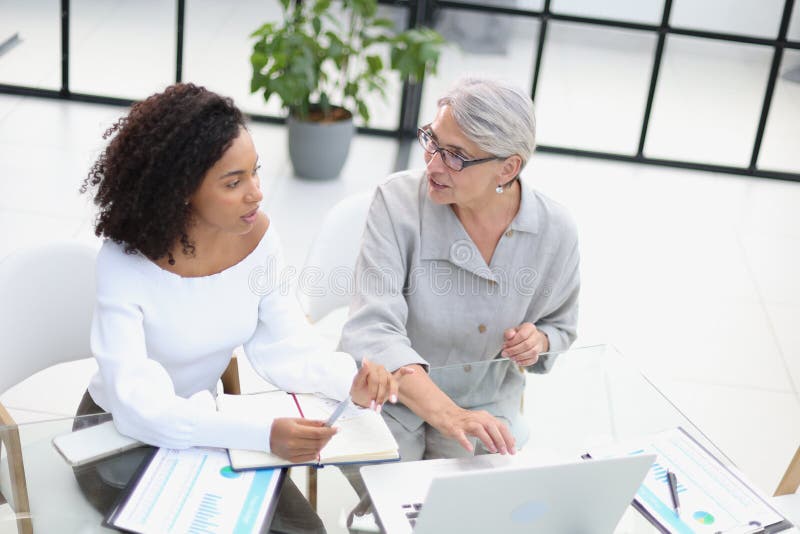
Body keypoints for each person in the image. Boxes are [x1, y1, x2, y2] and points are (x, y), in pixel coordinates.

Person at [78, 83, 403, 530]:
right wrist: (261, 435)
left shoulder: (257, 236)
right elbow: (139, 406)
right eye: (234, 182)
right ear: (183, 189)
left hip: (209, 427)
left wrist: (350, 382)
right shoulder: (125, 259)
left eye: (255, 172)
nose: (256, 193)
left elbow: (285, 346)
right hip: (117, 436)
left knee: (307, 530)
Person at [339, 77, 580, 470]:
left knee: (464, 509)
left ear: (507, 168)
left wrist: (538, 340)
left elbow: (561, 328)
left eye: (456, 156)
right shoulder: (397, 202)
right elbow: (372, 330)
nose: (433, 164)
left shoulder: (556, 230)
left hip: (486, 409)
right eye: (432, 142)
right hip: (392, 402)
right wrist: (449, 414)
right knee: (393, 507)